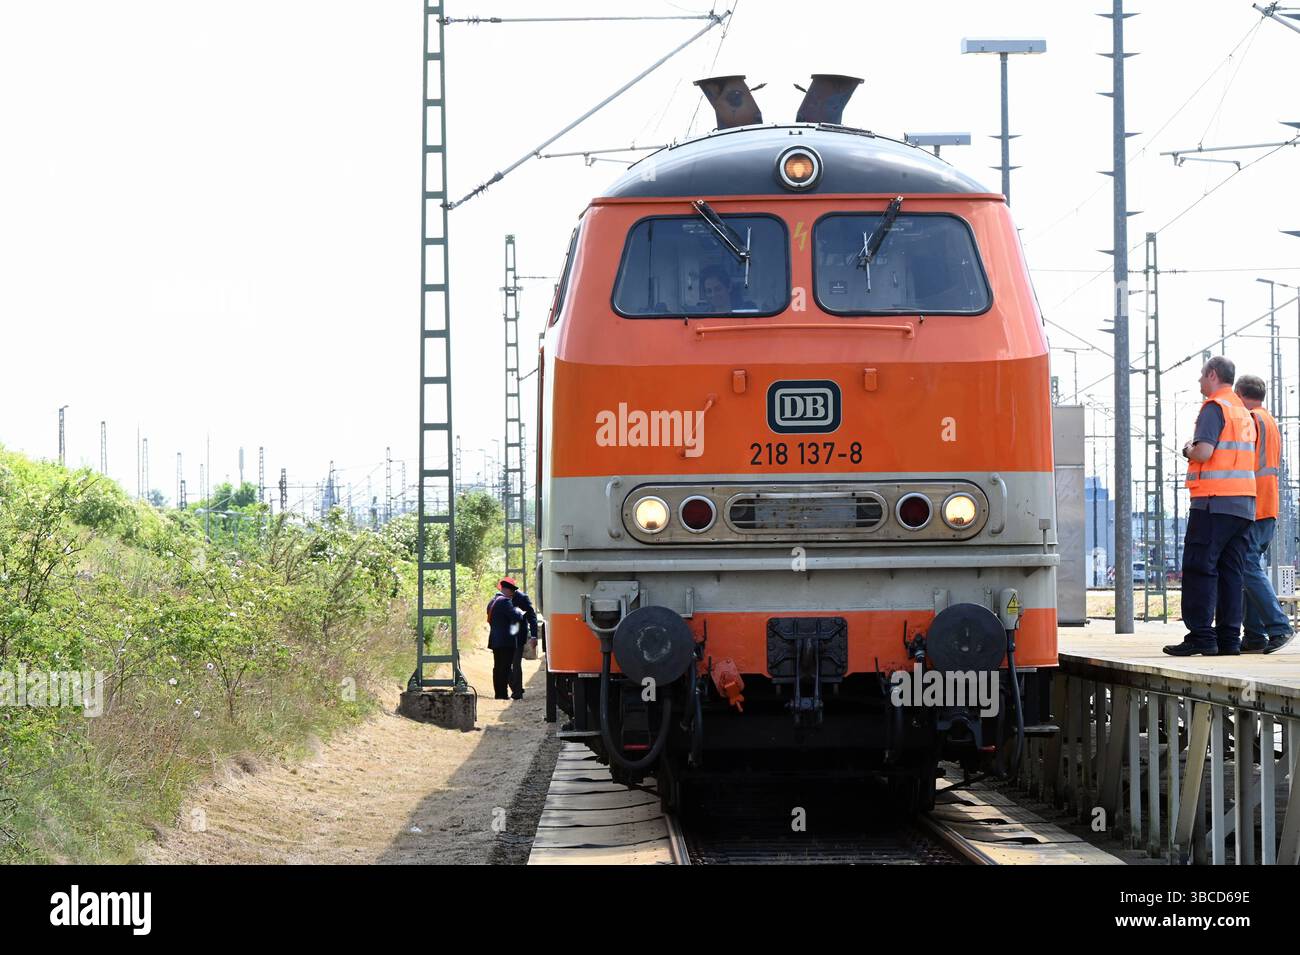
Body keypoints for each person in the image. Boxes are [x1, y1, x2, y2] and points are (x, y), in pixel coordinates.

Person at [1165, 356, 1257, 656]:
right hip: (1243, 504)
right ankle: (1229, 638)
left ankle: (1202, 636)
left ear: (1213, 375)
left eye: (1202, 376)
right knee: (1231, 571)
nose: (1199, 381)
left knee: (1199, 566)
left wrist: (1186, 449)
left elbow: (1204, 451)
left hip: (1213, 503)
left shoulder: (1214, 407)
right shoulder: (1243, 412)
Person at [1234, 374, 1295, 653]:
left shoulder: (1251, 420)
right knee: (1250, 565)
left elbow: (1242, 460)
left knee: (1246, 565)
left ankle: (1279, 628)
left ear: (1240, 394)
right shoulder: (1268, 420)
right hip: (1267, 504)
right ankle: (1255, 635)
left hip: (1254, 504)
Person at [487, 580, 526, 700]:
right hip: (506, 641)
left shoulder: (492, 602)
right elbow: (516, 617)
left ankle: (498, 693)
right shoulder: (505, 602)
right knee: (505, 667)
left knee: (497, 667)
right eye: (512, 591)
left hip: (495, 639)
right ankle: (503, 694)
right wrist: (520, 612)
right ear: (507, 590)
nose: (512, 594)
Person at [501, 577, 539, 676]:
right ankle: (515, 687)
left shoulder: (522, 598)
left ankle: (517, 691)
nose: (502, 593)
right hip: (505, 637)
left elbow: (532, 617)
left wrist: (534, 636)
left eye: (504, 591)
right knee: (505, 665)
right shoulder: (501, 599)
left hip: (518, 637)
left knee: (516, 664)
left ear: (510, 590)